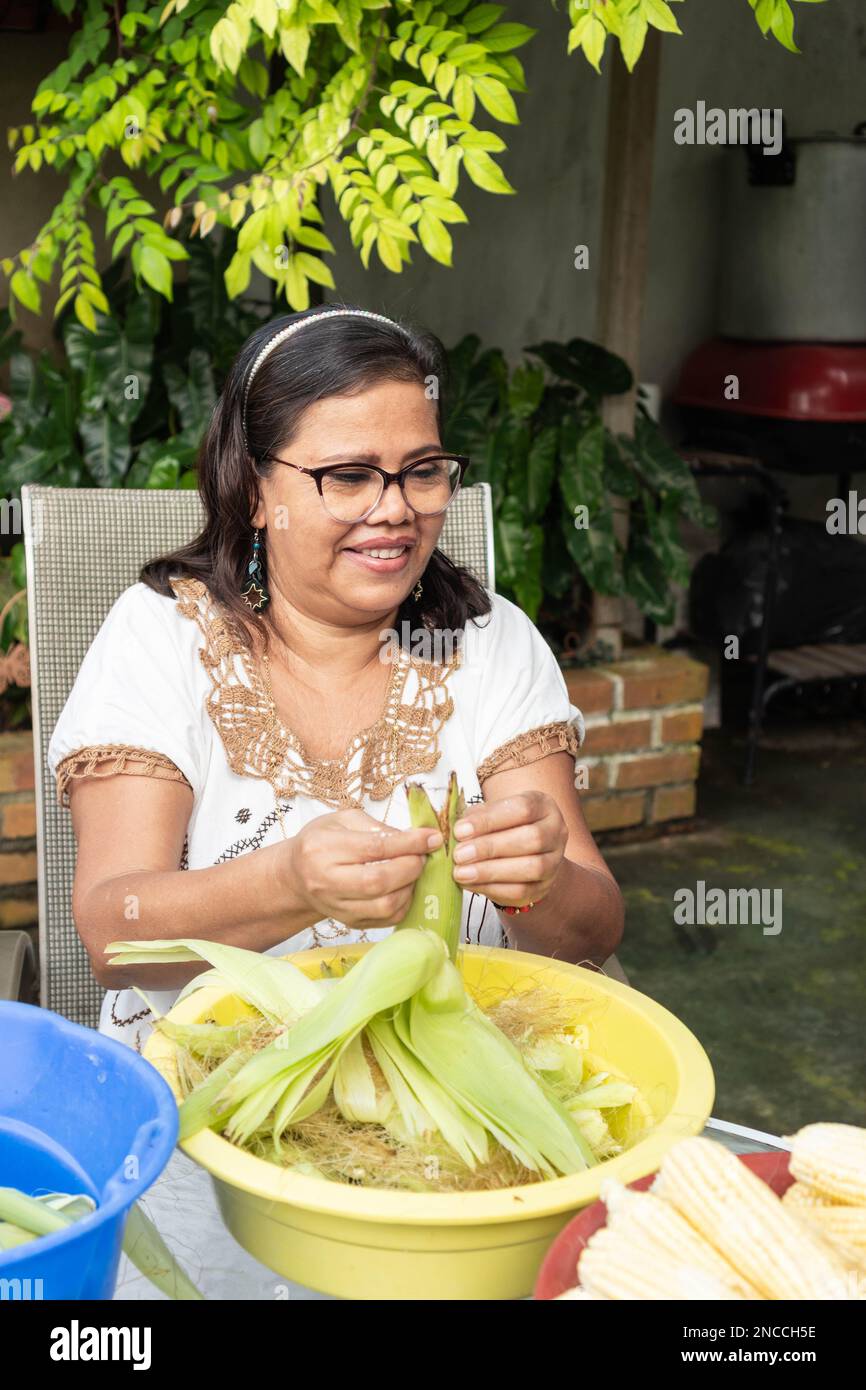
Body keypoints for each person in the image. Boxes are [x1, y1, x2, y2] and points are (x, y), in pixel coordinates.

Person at [48, 305, 624, 1053]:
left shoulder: (489, 640)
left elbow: (593, 937)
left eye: (422, 473)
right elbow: (113, 937)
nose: (395, 512)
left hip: (461, 1075)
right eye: (348, 477)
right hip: (212, 1089)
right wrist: (288, 881)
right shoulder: (161, 638)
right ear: (253, 490)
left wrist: (543, 881)